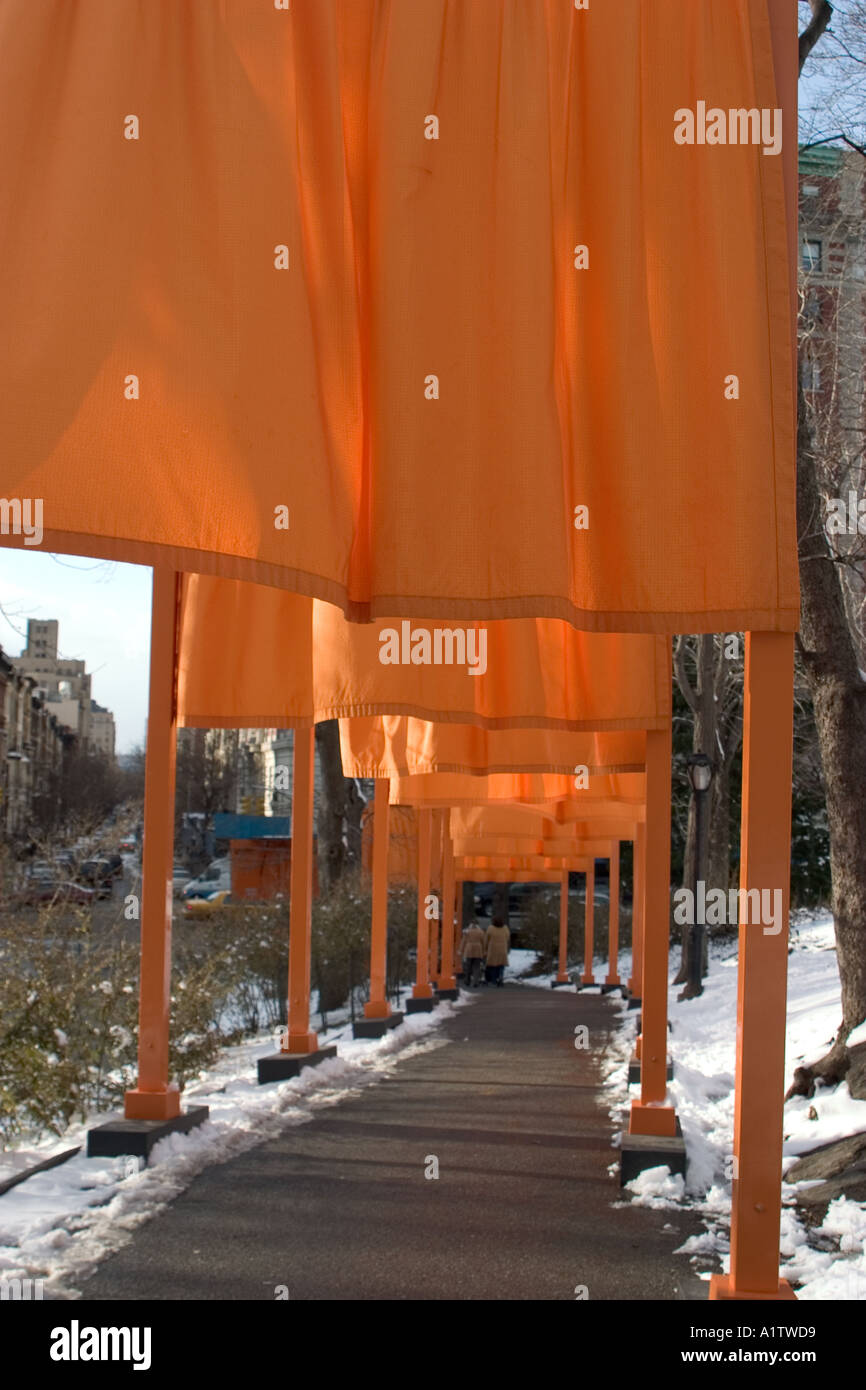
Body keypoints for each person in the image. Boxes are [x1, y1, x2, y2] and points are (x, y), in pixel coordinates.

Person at [484, 915, 510, 987]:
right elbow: (507, 937)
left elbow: (486, 939)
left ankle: (494, 980)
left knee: (493, 965)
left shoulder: (490, 928)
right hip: (502, 949)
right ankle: (501, 977)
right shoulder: (505, 928)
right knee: (501, 965)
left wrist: (485, 948)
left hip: (493, 949)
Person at [461, 919, 486, 988]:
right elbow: (483, 942)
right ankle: (476, 981)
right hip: (478, 949)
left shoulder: (467, 931)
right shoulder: (481, 932)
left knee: (468, 966)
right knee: (476, 967)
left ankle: (467, 980)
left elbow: (464, 941)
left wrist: (461, 950)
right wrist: (484, 951)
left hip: (469, 949)